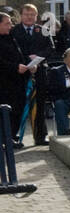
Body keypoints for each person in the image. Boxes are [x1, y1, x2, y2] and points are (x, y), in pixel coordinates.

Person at [12, 5, 54, 146]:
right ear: (21, 15)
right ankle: (15, 136)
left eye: (32, 14)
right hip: (20, 74)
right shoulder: (14, 31)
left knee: (39, 105)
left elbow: (51, 48)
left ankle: (41, 136)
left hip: (39, 71)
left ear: (37, 16)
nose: (29, 17)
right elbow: (10, 51)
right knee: (19, 105)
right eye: (26, 14)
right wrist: (25, 62)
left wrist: (39, 58)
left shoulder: (43, 30)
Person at [0, 14, 27, 144]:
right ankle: (5, 138)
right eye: (7, 23)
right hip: (4, 83)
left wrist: (27, 66)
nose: (10, 26)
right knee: (7, 111)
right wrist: (15, 67)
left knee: (18, 109)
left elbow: (18, 54)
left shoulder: (10, 37)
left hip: (17, 80)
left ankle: (11, 135)